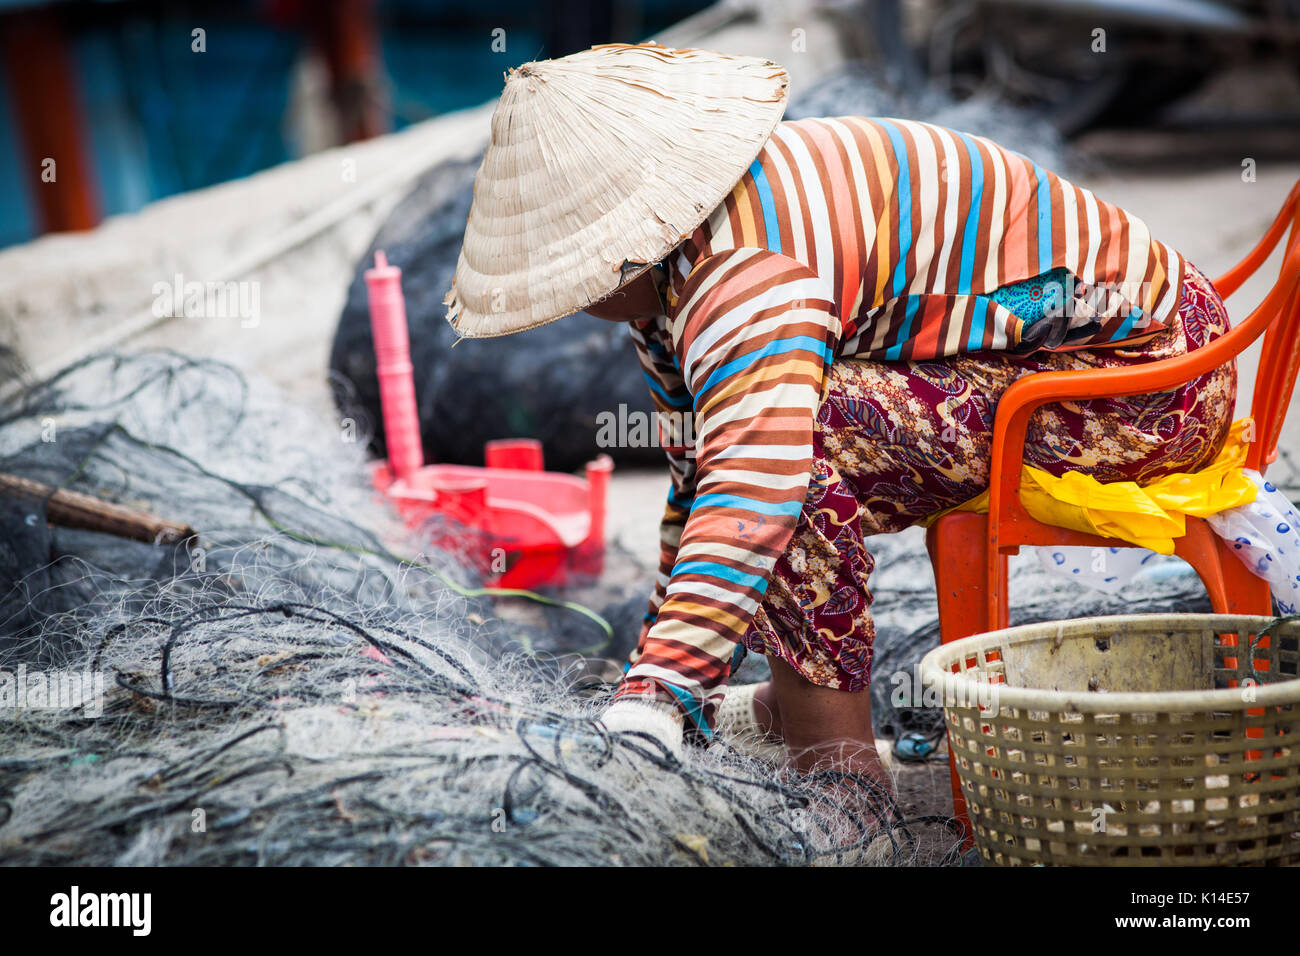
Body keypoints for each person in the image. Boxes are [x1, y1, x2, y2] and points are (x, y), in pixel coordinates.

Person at [444, 43, 1235, 795]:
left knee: (796, 447)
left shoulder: (745, 276)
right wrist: (664, 678)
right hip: (1117, 347)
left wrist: (657, 696)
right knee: (759, 439)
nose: (577, 304)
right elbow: (696, 480)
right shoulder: (679, 271)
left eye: (574, 277)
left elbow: (754, 485)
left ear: (626, 246)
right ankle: (800, 705)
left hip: (1145, 387)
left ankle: (842, 785)